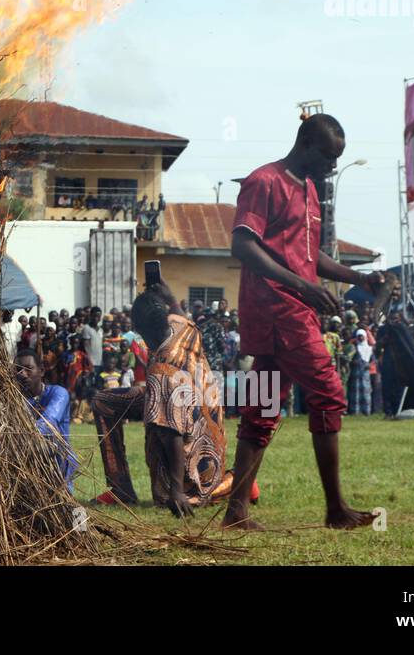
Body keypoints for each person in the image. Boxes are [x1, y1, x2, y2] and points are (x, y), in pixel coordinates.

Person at [223, 114, 385, 531]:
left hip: (293, 307)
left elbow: (311, 258)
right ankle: (335, 510)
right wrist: (304, 286)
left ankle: (236, 512)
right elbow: (243, 244)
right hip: (279, 309)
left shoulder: (311, 190)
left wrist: (359, 277)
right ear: (307, 144)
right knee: (329, 394)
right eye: (330, 157)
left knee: (260, 408)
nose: (333, 166)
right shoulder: (264, 181)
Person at [90, 282, 237, 515]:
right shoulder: (182, 326)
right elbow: (178, 313)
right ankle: (121, 488)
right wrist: (171, 298)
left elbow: (171, 433)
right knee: (104, 402)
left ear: (138, 328)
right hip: (201, 421)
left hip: (197, 460)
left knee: (166, 494)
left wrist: (177, 491)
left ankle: (232, 484)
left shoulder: (162, 370)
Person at [14, 347, 75, 490]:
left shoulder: (58, 393)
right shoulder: (15, 400)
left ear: (41, 371)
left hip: (57, 465)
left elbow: (48, 422)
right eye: (18, 370)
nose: (22, 374)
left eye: (28, 369)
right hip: (25, 467)